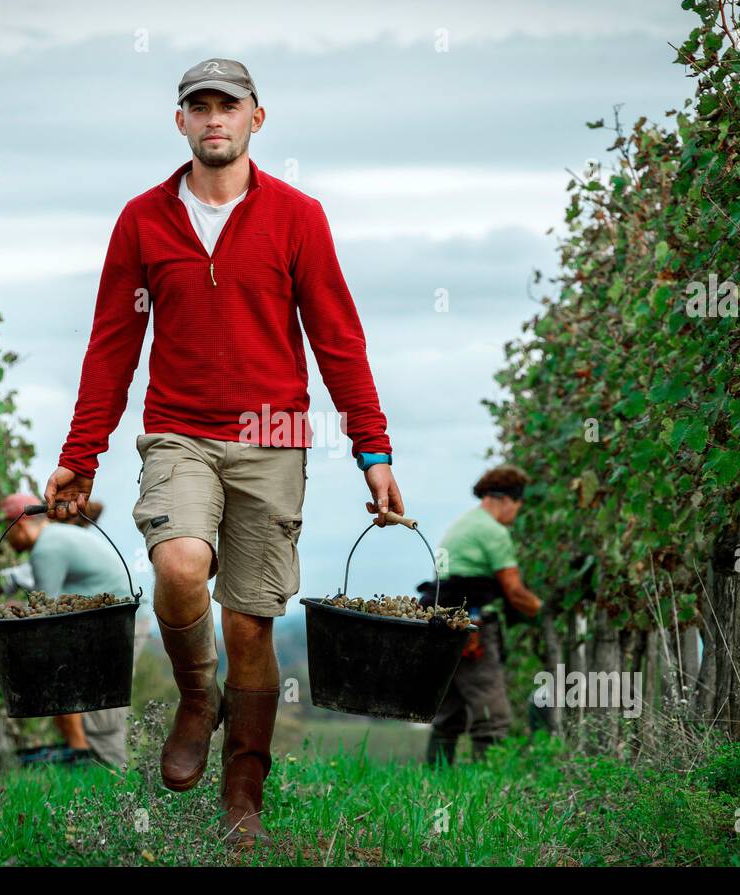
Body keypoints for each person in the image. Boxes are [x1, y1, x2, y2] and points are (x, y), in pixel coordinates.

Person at [42, 58, 402, 848]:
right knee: (177, 566)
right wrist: (83, 453)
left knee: (249, 626)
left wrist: (372, 447)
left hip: (274, 438)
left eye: (227, 107)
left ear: (255, 119)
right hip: (178, 431)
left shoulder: (298, 217)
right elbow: (112, 346)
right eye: (198, 107)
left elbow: (337, 338)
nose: (213, 120)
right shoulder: (142, 220)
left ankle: (245, 787)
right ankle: (197, 697)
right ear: (180, 122)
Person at [0, 492, 148, 769]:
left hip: (114, 626)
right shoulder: (56, 538)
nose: (5, 539)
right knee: (97, 705)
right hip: (109, 623)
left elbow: (44, 618)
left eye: (6, 530)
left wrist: (0, 637)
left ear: (18, 525)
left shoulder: (46, 548)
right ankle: (105, 787)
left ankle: (113, 784)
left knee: (99, 710)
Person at [424, 465, 541, 766]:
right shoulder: (493, 531)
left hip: (440, 623)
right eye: (517, 506)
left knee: (449, 707)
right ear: (506, 500)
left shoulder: (464, 523)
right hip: (471, 626)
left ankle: (435, 776)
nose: (515, 514)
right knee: (492, 711)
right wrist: (541, 611)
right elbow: (514, 591)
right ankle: (490, 783)